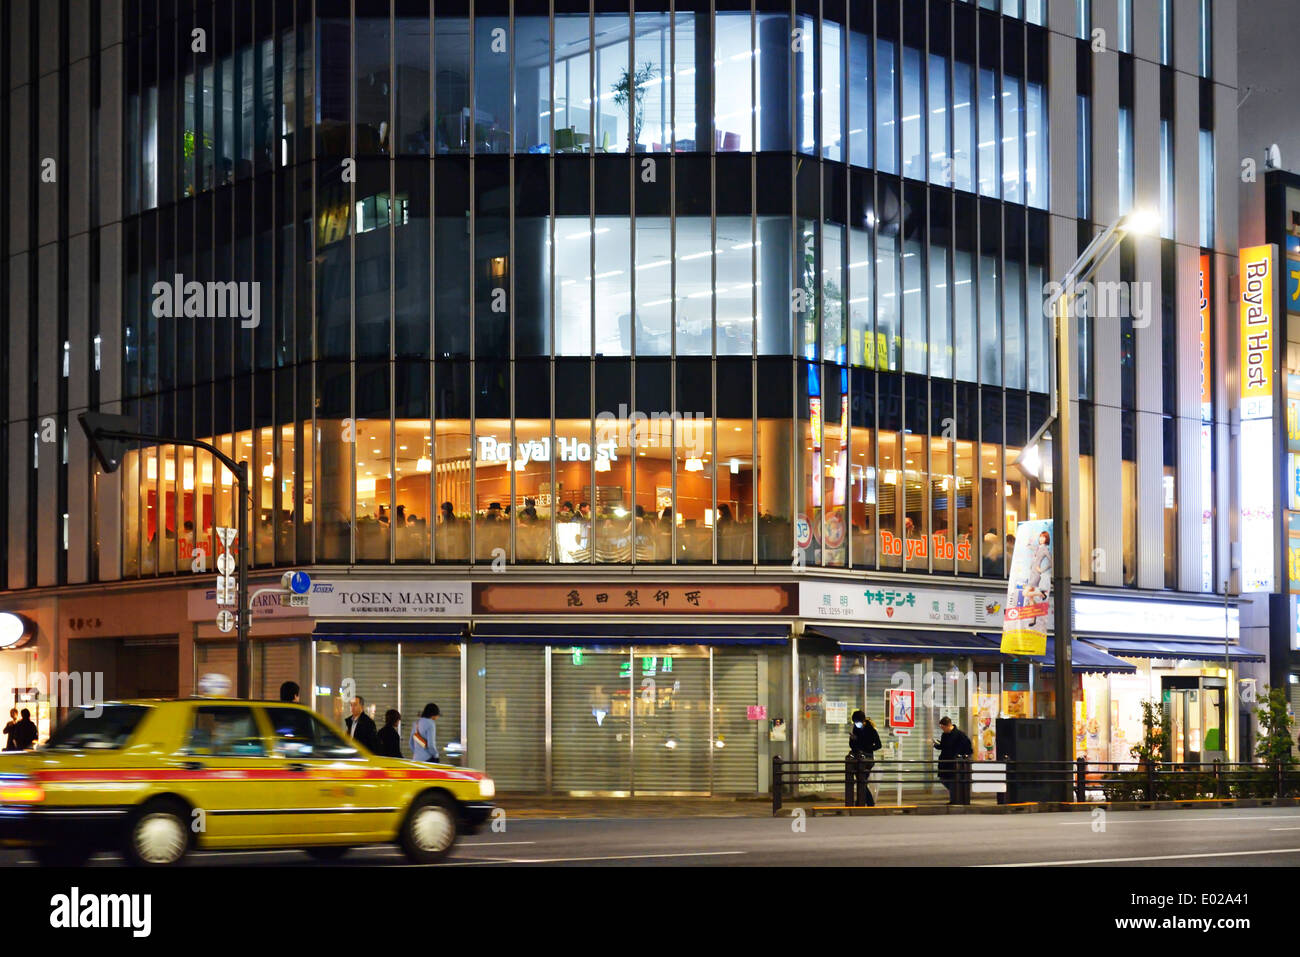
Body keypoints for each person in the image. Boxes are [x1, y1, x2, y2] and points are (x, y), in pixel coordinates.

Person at [933, 716, 974, 805]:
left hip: (955, 762)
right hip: (945, 761)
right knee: (943, 779)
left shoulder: (960, 735)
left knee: (952, 780)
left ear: (948, 725)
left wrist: (962, 756)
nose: (943, 730)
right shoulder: (944, 735)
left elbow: (969, 748)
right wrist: (936, 745)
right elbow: (944, 746)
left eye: (943, 727)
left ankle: (954, 799)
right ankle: (955, 796)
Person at [848, 710, 883, 807]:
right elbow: (853, 746)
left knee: (861, 781)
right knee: (861, 781)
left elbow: (879, 745)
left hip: (868, 759)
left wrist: (866, 748)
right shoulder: (856, 728)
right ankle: (861, 801)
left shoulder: (871, 730)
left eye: (857, 721)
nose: (856, 724)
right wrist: (853, 740)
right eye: (855, 722)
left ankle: (868, 803)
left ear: (863, 720)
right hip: (858, 759)